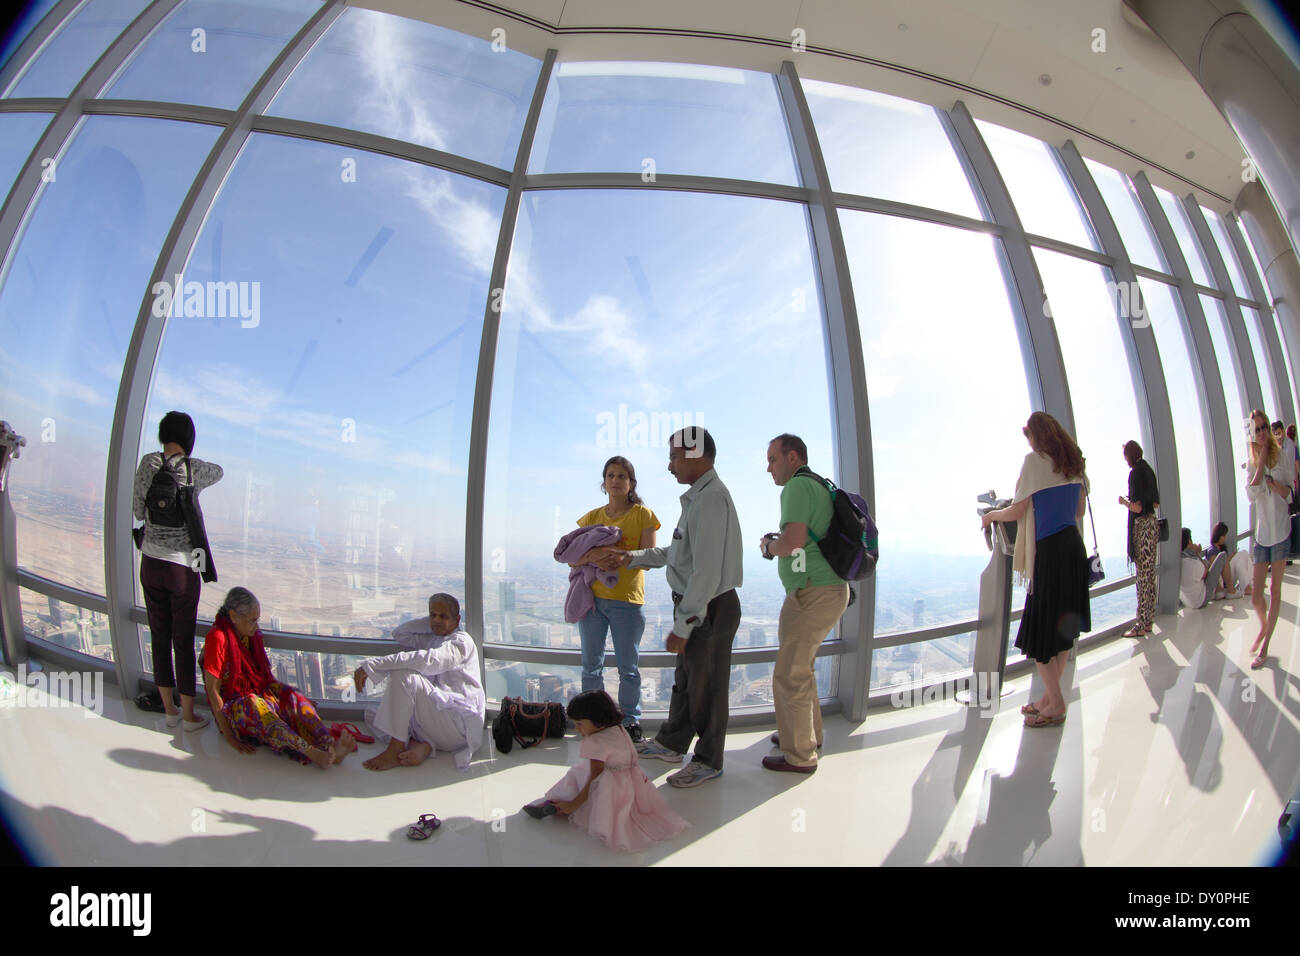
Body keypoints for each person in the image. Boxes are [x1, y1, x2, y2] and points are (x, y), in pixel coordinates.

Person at [594, 427, 743, 788]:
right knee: (686, 680)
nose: (669, 465)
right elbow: (674, 555)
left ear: (695, 455)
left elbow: (706, 573)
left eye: (675, 456)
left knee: (707, 687)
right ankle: (672, 742)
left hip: (708, 606)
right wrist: (629, 557)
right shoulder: (698, 499)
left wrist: (684, 624)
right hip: (697, 606)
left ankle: (708, 760)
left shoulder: (709, 500)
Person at [981, 412, 1089, 728]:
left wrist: (991, 517)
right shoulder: (1073, 462)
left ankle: (1055, 704)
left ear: (1035, 435)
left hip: (1051, 553)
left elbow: (1017, 510)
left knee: (1040, 633)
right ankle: (1047, 698)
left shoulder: (1034, 461)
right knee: (1062, 632)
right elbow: (1079, 510)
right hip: (1073, 548)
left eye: (1027, 433)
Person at [759, 434, 848, 774]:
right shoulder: (819, 485)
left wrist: (769, 546)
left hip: (812, 593)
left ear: (792, 457)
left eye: (773, 460)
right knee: (802, 669)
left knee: (789, 674)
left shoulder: (796, 487)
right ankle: (807, 735)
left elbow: (794, 544)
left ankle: (800, 754)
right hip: (824, 590)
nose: (769, 468)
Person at [133, 411, 223, 731]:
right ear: (189, 439)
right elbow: (220, 471)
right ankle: (188, 716)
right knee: (182, 641)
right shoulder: (193, 469)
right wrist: (187, 463)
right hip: (182, 569)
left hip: (150, 563)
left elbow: (135, 509)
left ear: (161, 434)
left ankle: (168, 710)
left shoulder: (147, 463)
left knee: (159, 634)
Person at [202, 587, 356, 767]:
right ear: (234, 616)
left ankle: (329, 746)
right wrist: (229, 735)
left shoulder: (249, 636)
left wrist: (290, 697)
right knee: (256, 705)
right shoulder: (218, 638)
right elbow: (213, 691)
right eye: (252, 621)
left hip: (256, 693)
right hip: (233, 708)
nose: (256, 626)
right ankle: (311, 753)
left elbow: (264, 680)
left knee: (294, 697)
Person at [522, 690, 688, 851]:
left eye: (580, 724)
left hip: (610, 784)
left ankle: (560, 806)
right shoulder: (618, 729)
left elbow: (594, 779)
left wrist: (575, 804)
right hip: (632, 779)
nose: (578, 729)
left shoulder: (594, 742)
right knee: (585, 777)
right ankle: (559, 805)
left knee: (577, 778)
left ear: (596, 718)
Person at [572, 457, 659, 743]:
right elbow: (572, 556)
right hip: (592, 601)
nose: (616, 480)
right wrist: (595, 557)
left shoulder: (644, 515)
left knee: (628, 668)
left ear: (631, 482)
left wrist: (619, 561)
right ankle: (591, 721)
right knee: (591, 667)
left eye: (622, 475)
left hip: (627, 602)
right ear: (604, 481)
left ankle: (631, 721)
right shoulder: (591, 518)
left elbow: (650, 558)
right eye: (610, 475)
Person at [352, 593, 485, 771]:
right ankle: (424, 745)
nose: (436, 620)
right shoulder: (433, 638)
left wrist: (374, 665)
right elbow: (400, 633)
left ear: (457, 619)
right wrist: (433, 622)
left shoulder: (461, 642)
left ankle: (396, 748)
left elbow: (431, 660)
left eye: (443, 616)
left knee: (403, 675)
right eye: (433, 614)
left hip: (457, 726)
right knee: (373, 716)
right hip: (437, 718)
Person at [1246, 409, 1291, 669]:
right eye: (1257, 429)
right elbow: (1251, 496)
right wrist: (1261, 463)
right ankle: (1264, 627)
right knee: (1255, 596)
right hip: (1262, 535)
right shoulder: (1252, 462)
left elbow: (1289, 494)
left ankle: (1265, 648)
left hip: (1281, 532)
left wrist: (1275, 486)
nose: (1262, 433)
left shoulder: (1283, 457)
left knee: (1275, 591)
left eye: (1264, 427)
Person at [1118, 439, 1160, 638]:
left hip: (1142, 527)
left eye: (1125, 455)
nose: (1125, 459)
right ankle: (1149, 621)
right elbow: (1155, 504)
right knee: (1149, 576)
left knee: (1142, 578)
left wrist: (1124, 502)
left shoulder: (1135, 474)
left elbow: (1138, 507)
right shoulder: (1149, 471)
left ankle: (1140, 625)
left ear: (1130, 455)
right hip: (1152, 525)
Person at [1179, 528, 1227, 610]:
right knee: (1222, 555)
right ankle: (1227, 590)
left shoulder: (1178, 561)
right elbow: (1206, 573)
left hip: (1186, 602)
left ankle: (1218, 589)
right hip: (1200, 601)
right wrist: (1197, 553)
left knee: (1206, 562)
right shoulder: (1192, 562)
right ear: (1189, 542)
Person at [1203, 521, 1240, 599]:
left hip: (1223, 579)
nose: (1224, 538)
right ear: (1218, 535)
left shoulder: (1219, 548)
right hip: (1218, 581)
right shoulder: (1211, 550)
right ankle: (1228, 590)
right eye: (1223, 536)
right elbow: (1215, 567)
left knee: (1241, 555)